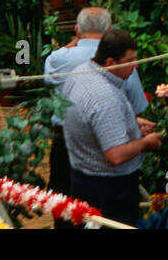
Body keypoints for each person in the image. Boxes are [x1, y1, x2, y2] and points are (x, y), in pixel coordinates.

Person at [44, 8, 149, 228]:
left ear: (77, 30)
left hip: (65, 142)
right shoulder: (121, 63)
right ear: (109, 30)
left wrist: (74, 41)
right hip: (103, 156)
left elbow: (47, 76)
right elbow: (137, 105)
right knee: (104, 216)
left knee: (64, 207)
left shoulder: (60, 59)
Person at [62, 28, 162, 225]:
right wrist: (144, 143)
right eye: (130, 61)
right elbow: (115, 155)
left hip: (82, 177)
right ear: (110, 62)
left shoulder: (81, 71)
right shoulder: (105, 97)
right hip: (109, 189)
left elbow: (91, 120)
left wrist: (132, 123)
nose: (135, 66)